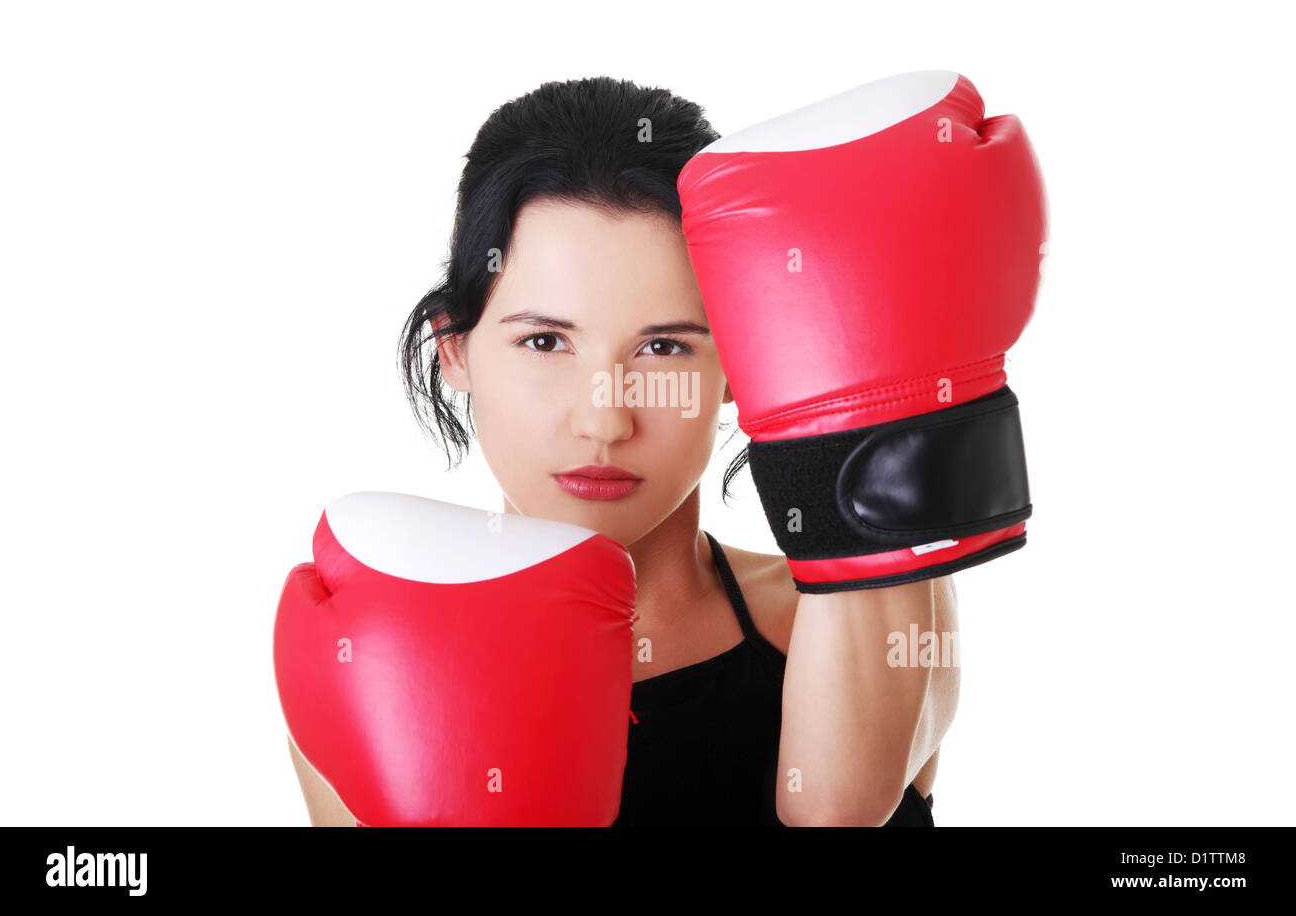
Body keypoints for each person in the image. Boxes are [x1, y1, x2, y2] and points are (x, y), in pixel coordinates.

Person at [287, 76, 953, 826]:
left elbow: (840, 810)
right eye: (544, 341)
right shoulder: (374, 654)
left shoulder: (835, 611)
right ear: (455, 351)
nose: (605, 420)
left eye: (664, 347)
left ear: (742, 361)